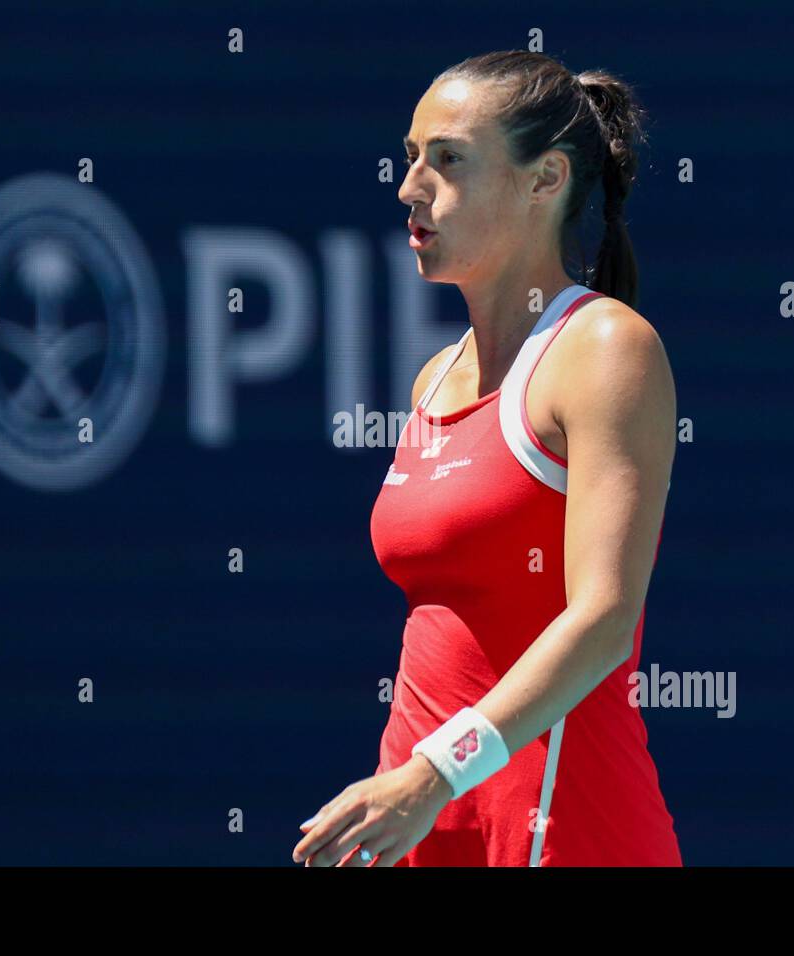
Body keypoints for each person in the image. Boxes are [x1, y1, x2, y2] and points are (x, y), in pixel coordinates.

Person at [293, 50, 680, 867]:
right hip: (416, 825)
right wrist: (412, 790)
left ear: (545, 181)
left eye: (449, 160)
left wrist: (435, 773)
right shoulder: (434, 378)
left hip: (565, 827)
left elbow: (606, 620)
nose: (409, 186)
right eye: (410, 158)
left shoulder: (607, 349)